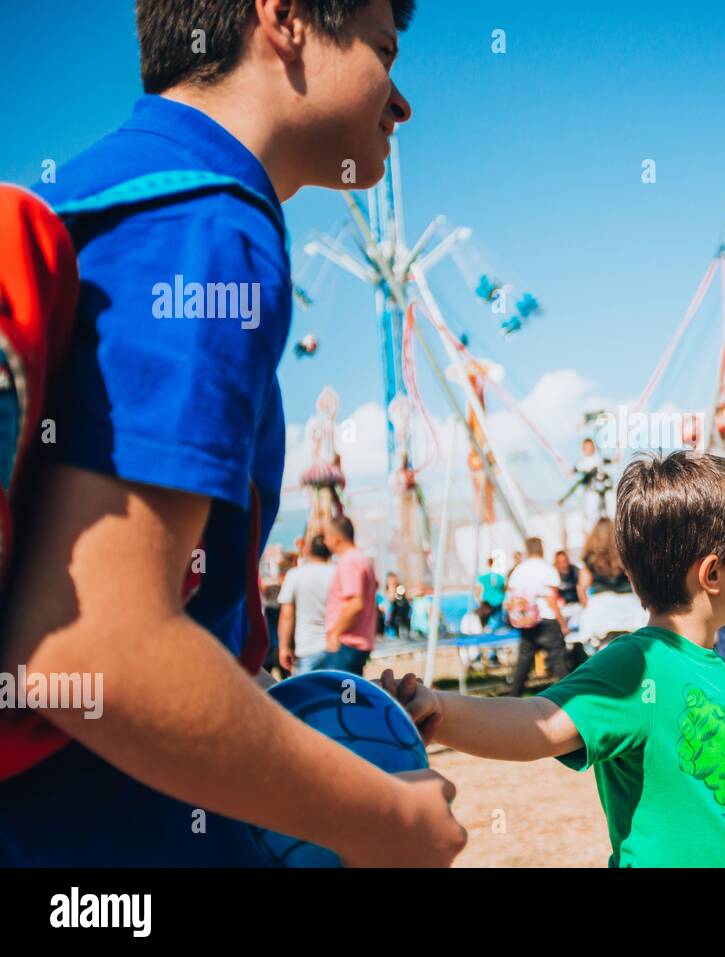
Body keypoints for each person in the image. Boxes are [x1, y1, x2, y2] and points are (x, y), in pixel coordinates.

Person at [0, 0, 464, 867]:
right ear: (283, 18)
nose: (400, 103)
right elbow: (92, 647)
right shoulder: (210, 222)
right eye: (384, 49)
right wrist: (390, 820)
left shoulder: (96, 196)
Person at [381, 450, 725, 867]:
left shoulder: (716, 665)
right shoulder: (639, 663)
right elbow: (538, 723)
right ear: (712, 574)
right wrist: (440, 708)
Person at [504, 537, 569, 696]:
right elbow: (552, 599)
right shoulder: (547, 569)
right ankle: (569, 696)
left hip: (526, 621)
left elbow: (510, 597)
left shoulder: (519, 570)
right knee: (559, 661)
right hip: (547, 619)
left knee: (524, 663)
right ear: (541, 549)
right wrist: (562, 622)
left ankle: (514, 696)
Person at [575, 517, 646, 646]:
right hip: (627, 604)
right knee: (632, 646)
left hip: (601, 604)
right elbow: (634, 578)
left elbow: (582, 586)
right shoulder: (624, 553)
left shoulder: (589, 557)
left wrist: (587, 607)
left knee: (604, 650)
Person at [322, 516, 379, 676]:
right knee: (349, 694)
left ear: (336, 538)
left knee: (344, 696)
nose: (325, 541)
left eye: (326, 536)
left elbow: (355, 603)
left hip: (348, 643)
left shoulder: (349, 561)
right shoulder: (361, 559)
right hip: (357, 641)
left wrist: (335, 633)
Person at [278, 536, 336, 674]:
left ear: (308, 550)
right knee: (340, 693)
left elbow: (287, 614)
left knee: (309, 694)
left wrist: (284, 647)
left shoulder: (295, 575)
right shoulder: (338, 573)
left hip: (306, 648)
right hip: (336, 647)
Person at [475, 555, 506, 628]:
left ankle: (486, 628)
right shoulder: (500, 577)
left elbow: (478, 590)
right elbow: (504, 589)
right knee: (496, 619)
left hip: (487, 602)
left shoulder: (482, 577)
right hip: (498, 601)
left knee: (486, 620)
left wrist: (478, 600)